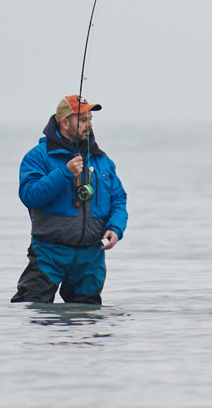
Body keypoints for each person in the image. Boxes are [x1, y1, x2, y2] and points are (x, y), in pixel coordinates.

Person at [12, 94, 127, 305]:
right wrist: (65, 173)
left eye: (91, 119)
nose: (89, 124)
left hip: (91, 257)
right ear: (64, 122)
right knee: (31, 313)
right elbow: (30, 196)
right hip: (49, 253)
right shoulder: (37, 156)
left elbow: (118, 199)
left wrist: (116, 227)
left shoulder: (102, 160)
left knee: (88, 324)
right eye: (83, 120)